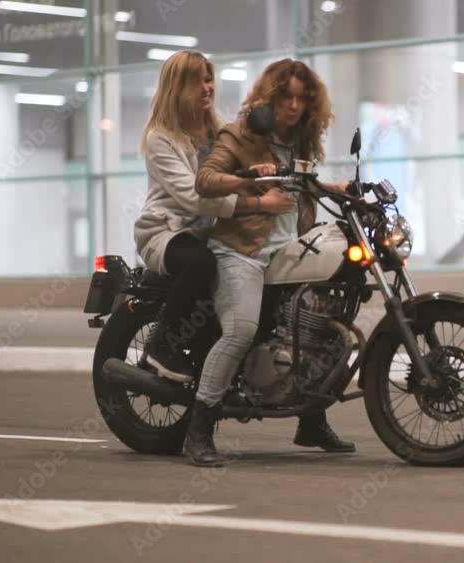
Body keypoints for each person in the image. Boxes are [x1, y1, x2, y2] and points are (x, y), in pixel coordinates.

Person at [185, 58, 353, 467]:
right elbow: (205, 180)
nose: (293, 107)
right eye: (286, 97)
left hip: (288, 250)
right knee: (240, 330)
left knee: (321, 327)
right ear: (270, 97)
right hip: (242, 249)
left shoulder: (301, 140)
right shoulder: (241, 134)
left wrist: (340, 188)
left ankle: (310, 422)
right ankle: (199, 429)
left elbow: (301, 183)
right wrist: (248, 177)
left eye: (301, 99)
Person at [134, 50, 293, 383]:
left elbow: (241, 169)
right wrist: (259, 205)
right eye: (197, 82)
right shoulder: (160, 139)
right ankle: (162, 345)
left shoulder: (220, 130)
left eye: (209, 79)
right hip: (169, 232)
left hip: (214, 231)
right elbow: (195, 198)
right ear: (176, 88)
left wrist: (259, 169)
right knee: (200, 263)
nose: (207, 87)